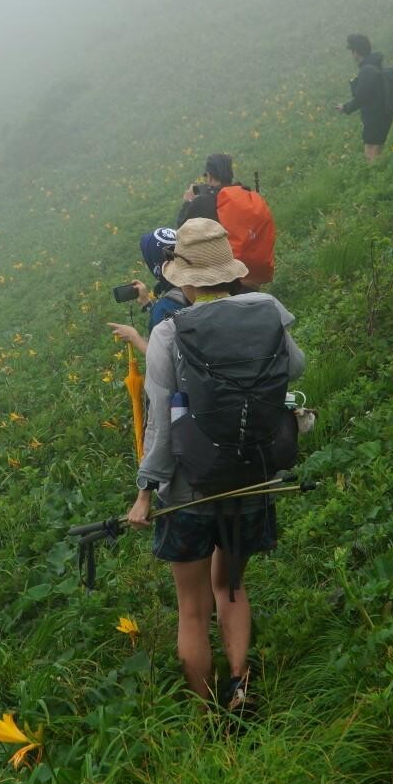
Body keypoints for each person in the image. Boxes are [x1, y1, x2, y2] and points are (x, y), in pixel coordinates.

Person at [125, 218, 306, 711]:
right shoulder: (266, 309)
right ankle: (239, 685)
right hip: (252, 473)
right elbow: (297, 366)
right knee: (231, 586)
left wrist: (145, 492)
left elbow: (160, 424)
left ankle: (206, 715)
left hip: (188, 488)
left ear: (183, 278)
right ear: (230, 270)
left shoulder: (168, 332)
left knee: (191, 608)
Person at [175, 153, 276, 288]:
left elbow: (182, 231)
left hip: (224, 279)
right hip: (252, 276)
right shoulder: (246, 195)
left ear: (210, 176)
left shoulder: (204, 202)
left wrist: (188, 201)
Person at [108, 227, 188, 354]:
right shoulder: (200, 284)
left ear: (155, 265)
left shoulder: (164, 309)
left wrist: (133, 336)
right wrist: (147, 302)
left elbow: (162, 359)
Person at [338, 33, 392, 162]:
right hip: (382, 115)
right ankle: (379, 175)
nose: (351, 54)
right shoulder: (374, 64)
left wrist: (345, 108)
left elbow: (360, 97)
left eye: (352, 51)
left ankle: (375, 179)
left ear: (356, 52)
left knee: (370, 153)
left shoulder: (367, 70)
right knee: (378, 152)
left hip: (374, 117)